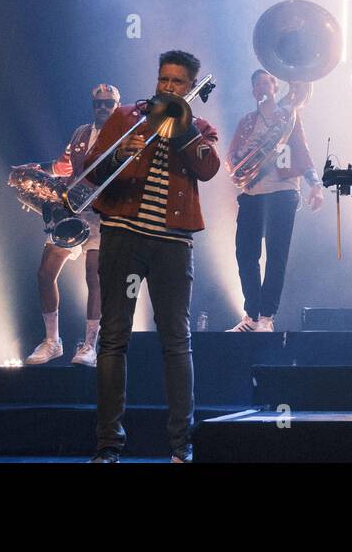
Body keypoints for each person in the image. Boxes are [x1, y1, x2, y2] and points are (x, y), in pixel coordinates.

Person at [84, 51, 220, 463]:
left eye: (178, 82)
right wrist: (123, 150)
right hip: (123, 233)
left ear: (190, 86)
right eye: (164, 80)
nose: (168, 87)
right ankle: (109, 445)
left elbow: (209, 168)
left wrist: (182, 130)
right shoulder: (127, 116)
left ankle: (182, 446)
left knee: (177, 341)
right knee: (113, 338)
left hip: (173, 242)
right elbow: (92, 169)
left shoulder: (199, 127)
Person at [24, 83, 120, 367]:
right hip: (73, 213)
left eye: (109, 103)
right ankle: (52, 341)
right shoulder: (80, 133)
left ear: (117, 105)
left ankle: (90, 344)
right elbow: (63, 165)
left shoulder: (123, 136)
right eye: (98, 103)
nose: (102, 108)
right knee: (44, 273)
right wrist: (35, 171)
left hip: (102, 214)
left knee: (95, 278)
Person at [226, 70, 324, 332]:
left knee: (276, 255)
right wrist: (241, 156)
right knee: (245, 254)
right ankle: (252, 315)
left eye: (265, 83)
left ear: (275, 86)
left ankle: (267, 316)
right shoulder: (247, 121)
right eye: (256, 84)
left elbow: (301, 150)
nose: (261, 88)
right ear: (253, 92)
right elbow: (232, 158)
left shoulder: (289, 116)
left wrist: (315, 184)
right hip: (252, 193)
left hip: (283, 191)